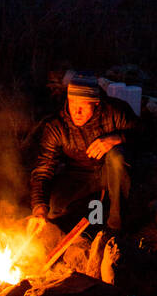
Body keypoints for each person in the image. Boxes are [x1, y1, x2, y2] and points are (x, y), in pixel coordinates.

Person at [27, 79, 136, 237]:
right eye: (72, 104)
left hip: (111, 170)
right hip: (80, 174)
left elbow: (144, 133)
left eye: (83, 106)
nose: (76, 112)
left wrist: (117, 138)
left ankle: (115, 226)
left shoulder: (115, 112)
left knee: (116, 156)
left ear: (96, 103)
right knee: (53, 209)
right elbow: (43, 169)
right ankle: (94, 213)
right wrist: (39, 208)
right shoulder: (57, 126)